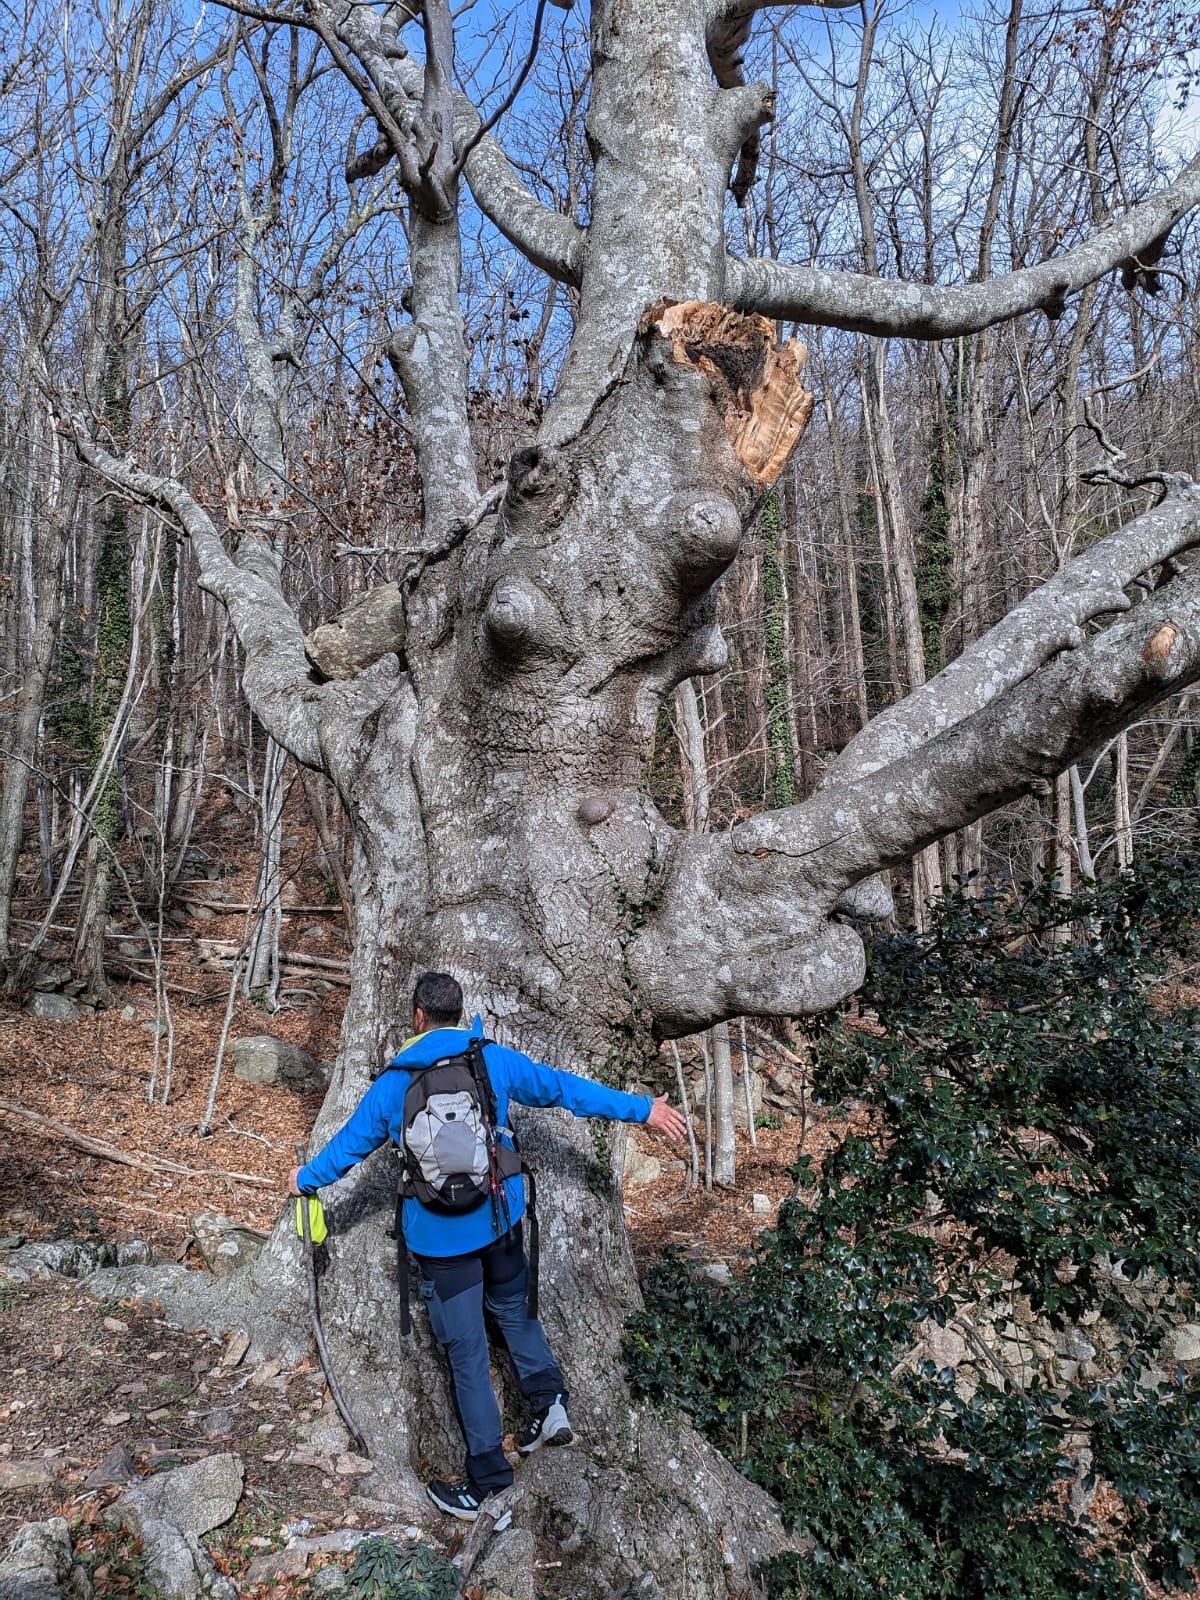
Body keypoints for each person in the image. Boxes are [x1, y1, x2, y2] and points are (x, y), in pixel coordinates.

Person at [289, 970, 687, 1521]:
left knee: (469, 1357)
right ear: (458, 1013)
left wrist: (306, 1180)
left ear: (418, 1018)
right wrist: (643, 1109)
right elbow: (564, 1089)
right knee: (514, 1310)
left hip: (439, 1241)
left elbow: (348, 1148)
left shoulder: (393, 1084)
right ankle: (549, 1406)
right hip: (501, 1219)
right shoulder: (491, 1060)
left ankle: (490, 1484)